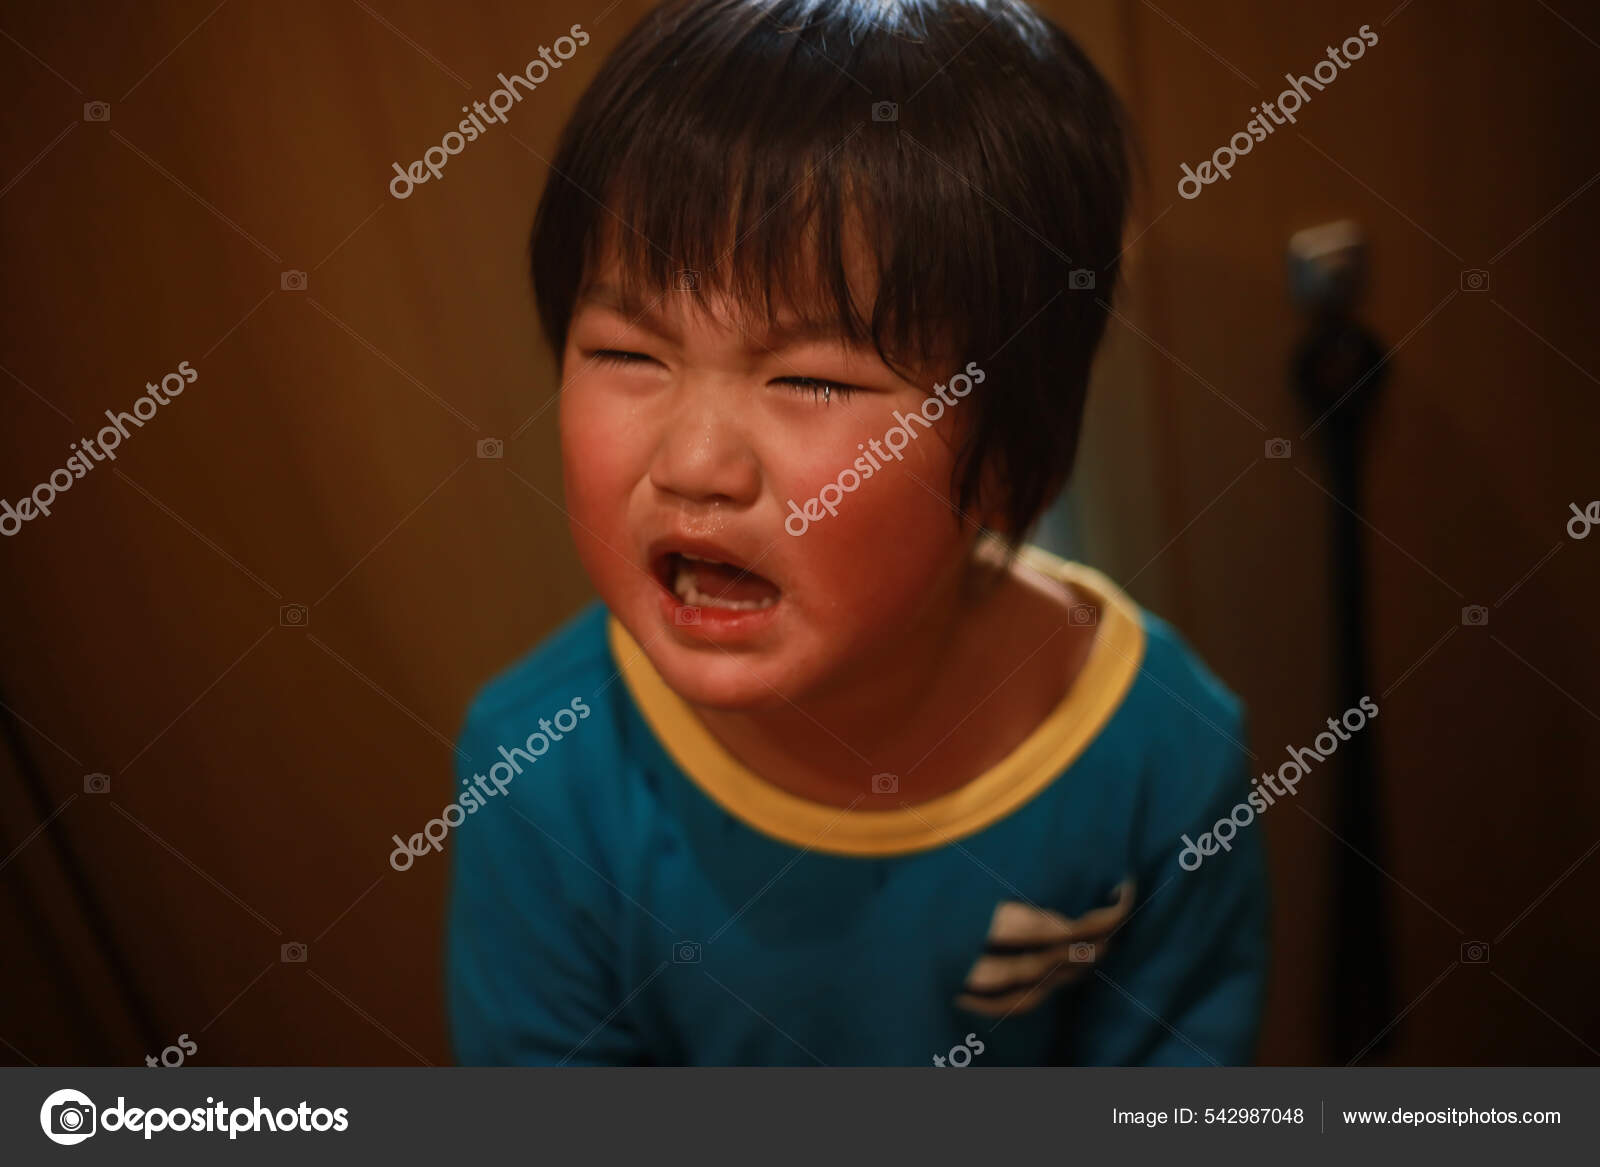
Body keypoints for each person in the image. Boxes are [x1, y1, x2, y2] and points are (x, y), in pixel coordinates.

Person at [446, 0, 1267, 1065]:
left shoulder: (1158, 744)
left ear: (1007, 450)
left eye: (812, 380)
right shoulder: (535, 768)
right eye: (628, 355)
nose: (694, 462)